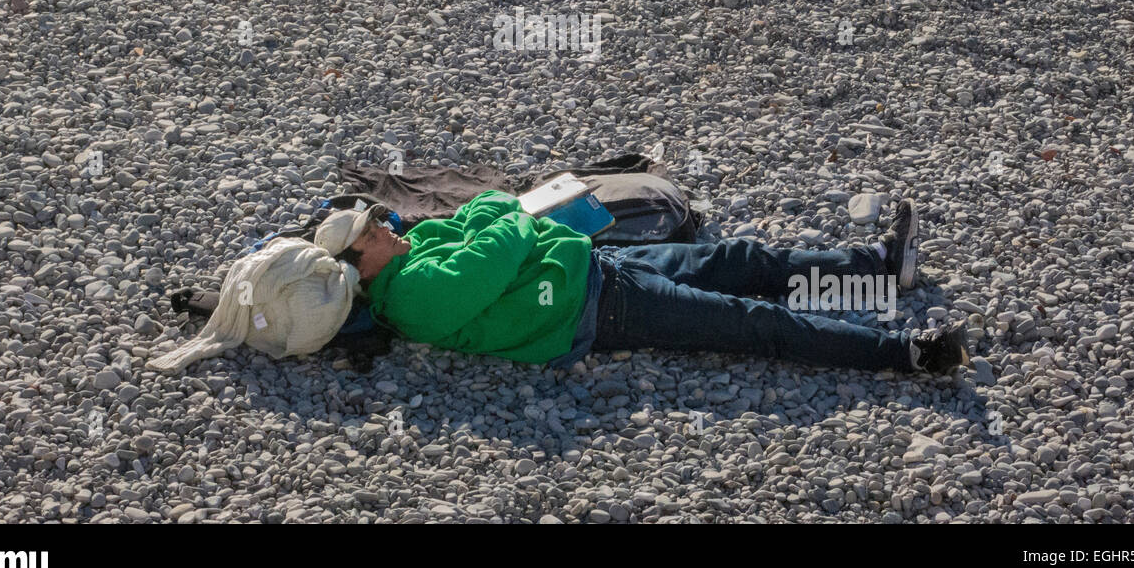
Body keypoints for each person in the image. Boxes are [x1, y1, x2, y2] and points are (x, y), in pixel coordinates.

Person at [314, 191, 970, 375]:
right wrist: (509, 227)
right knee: (750, 320)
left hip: (598, 267)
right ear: (359, 263)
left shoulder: (415, 249)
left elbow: (485, 217)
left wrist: (504, 230)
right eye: (370, 228)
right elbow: (501, 230)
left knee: (743, 258)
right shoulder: (413, 294)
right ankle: (901, 352)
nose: (383, 221)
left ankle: (881, 267)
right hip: (598, 308)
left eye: (374, 217)